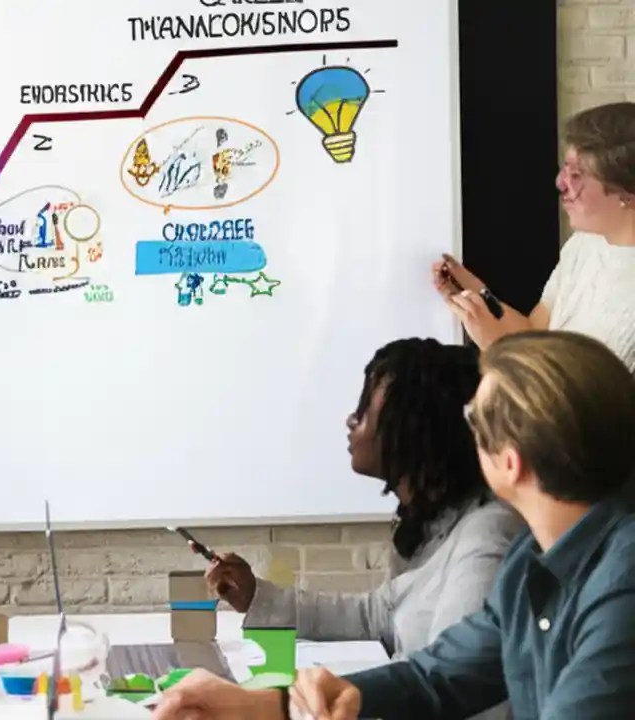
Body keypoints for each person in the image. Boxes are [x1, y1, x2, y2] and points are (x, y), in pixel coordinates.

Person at [154, 331, 635, 720]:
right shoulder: (532, 564)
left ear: (510, 463)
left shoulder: (620, 587)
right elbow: (435, 676)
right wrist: (270, 706)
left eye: (477, 420)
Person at [207, 338, 523, 664]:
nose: (351, 420)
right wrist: (256, 596)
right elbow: (373, 616)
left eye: (365, 408)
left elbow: (450, 681)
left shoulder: (486, 535)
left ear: (414, 425)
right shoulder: (436, 527)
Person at [435, 102, 635, 370]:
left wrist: (495, 347)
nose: (560, 183)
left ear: (627, 194)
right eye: (565, 168)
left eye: (577, 175)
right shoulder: (585, 243)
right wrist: (478, 295)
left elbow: (574, 403)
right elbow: (534, 332)